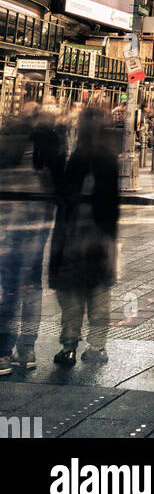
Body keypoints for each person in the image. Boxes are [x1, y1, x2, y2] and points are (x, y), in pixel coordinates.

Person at [49, 108, 119, 368]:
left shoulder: (77, 157)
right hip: (100, 237)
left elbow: (64, 197)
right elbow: (112, 206)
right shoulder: (109, 158)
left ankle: (69, 347)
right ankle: (97, 346)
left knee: (72, 295)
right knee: (99, 294)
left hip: (73, 237)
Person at [0, 106, 60, 373]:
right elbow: (56, 192)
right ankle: (27, 349)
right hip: (36, 231)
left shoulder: (8, 150)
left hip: (10, 232)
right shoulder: (47, 151)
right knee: (31, 289)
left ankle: (3, 352)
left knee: (9, 290)